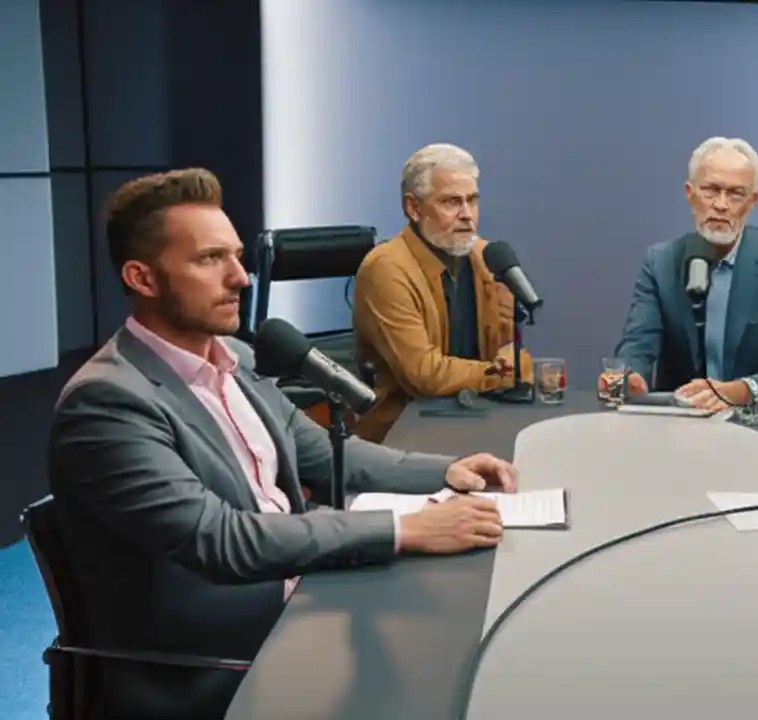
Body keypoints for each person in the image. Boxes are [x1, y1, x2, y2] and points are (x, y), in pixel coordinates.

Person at [49, 168, 518, 719]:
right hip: (212, 657)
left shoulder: (237, 360)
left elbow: (318, 451)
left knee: (463, 630)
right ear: (142, 278)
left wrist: (445, 471)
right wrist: (406, 529)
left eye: (237, 255)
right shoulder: (106, 403)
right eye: (209, 260)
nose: (241, 278)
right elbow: (221, 539)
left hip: (299, 593)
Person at [602, 136, 758, 410]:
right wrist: (629, 377)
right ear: (690, 193)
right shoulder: (660, 263)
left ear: (752, 201)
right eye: (710, 190)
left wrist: (739, 391)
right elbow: (637, 345)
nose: (721, 205)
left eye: (735, 194)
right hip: (683, 423)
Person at [352, 143, 531, 442]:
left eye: (472, 201)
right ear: (414, 207)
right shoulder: (386, 268)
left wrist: (507, 367)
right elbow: (425, 375)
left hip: (479, 419)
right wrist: (498, 373)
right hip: (405, 432)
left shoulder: (487, 258)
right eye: (451, 202)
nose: (467, 215)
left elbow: (512, 356)